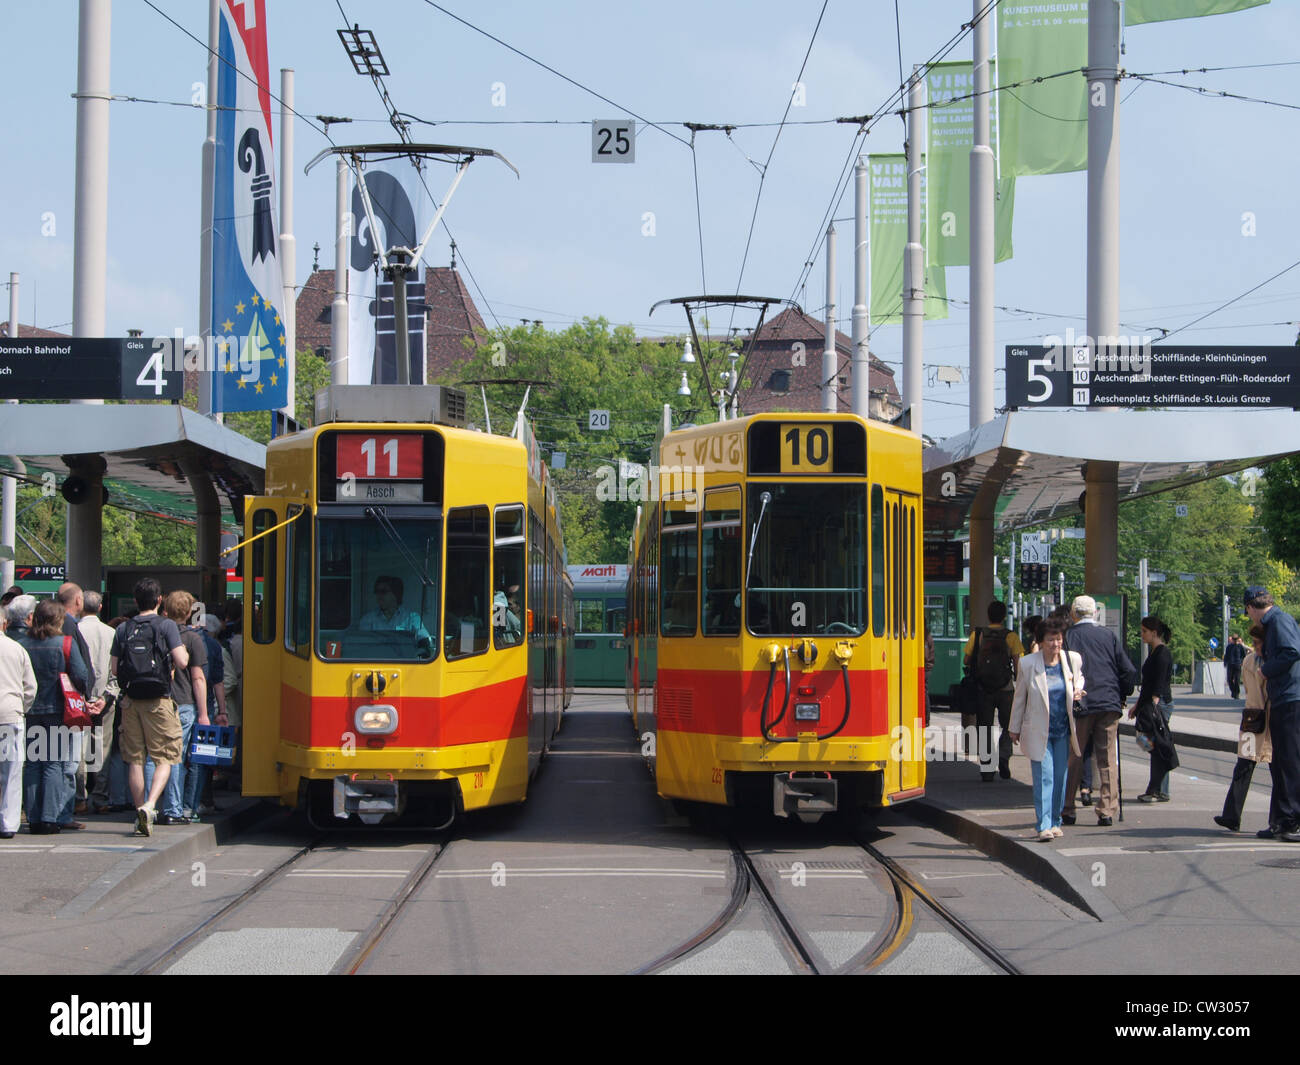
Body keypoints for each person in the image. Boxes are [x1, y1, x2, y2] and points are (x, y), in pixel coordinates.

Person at [110, 578, 188, 837]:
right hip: (159, 700)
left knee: (135, 759)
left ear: (135, 601)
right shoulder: (166, 626)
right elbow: (183, 661)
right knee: (165, 757)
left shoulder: (123, 629)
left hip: (131, 701)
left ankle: (138, 809)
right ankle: (151, 805)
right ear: (159, 601)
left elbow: (114, 668)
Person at [1061, 595, 1138, 828]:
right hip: (1108, 702)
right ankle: (1106, 810)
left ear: (1074, 614)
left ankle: (1068, 808)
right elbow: (1128, 670)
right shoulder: (1109, 636)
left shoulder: (1069, 637)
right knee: (1107, 759)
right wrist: (1122, 694)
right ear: (1095, 614)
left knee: (1075, 755)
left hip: (1080, 703)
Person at [1009, 615, 1085, 841]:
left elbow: (1079, 679)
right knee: (1045, 777)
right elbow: (1019, 697)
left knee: (1060, 778)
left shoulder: (1072, 659)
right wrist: (1014, 727)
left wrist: (1079, 690)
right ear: (1041, 641)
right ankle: (1043, 825)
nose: (1056, 644)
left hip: (1063, 730)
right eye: (1051, 640)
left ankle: (1055, 820)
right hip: (1038, 730)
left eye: (1059, 639)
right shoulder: (1028, 664)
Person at [16, 599, 89, 834]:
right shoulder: (65, 643)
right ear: (58, 620)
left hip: (29, 711)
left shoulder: (22, 644)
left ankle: (34, 818)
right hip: (58, 711)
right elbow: (81, 675)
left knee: (33, 764)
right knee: (54, 764)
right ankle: (50, 818)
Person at [143, 591, 208, 826]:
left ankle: (149, 806)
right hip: (183, 703)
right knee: (176, 757)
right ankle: (173, 808)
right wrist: (204, 713)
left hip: (156, 700)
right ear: (190, 612)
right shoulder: (193, 639)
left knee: (153, 756)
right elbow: (198, 678)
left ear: (166, 609)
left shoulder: (155, 633)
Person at [1245, 585, 1300, 842]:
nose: (1250, 619)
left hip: (1291, 698)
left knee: (1288, 762)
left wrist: (1266, 670)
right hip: (1284, 698)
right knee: (1279, 763)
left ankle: (1291, 821)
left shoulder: (1278, 620)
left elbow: (1292, 650)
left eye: (1248, 613)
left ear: (1250, 607)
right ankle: (1279, 820)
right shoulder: (1275, 621)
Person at [1215, 624, 1278, 834]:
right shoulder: (1262, 662)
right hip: (1262, 719)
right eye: (1255, 643)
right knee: (1252, 767)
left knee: (1256, 768)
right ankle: (1237, 816)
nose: (1256, 647)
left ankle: (1233, 815)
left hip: (1255, 719)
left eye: (1258, 643)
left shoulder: (1252, 660)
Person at [962, 600, 1024, 781]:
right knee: (1008, 725)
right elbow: (1018, 663)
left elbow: (966, 660)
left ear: (988, 615)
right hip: (1005, 689)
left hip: (983, 688)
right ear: (1004, 617)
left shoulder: (978, 634)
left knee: (985, 727)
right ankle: (1004, 756)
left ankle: (987, 767)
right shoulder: (1011, 636)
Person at [81, 591, 123, 813]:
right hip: (105, 700)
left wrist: (84, 699)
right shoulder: (111, 633)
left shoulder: (74, 630)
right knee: (102, 749)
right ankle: (100, 797)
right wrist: (105, 697)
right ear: (100, 608)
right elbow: (115, 671)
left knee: (79, 748)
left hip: (79, 701)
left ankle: (80, 795)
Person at [0, 601, 37, 839]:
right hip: (10, 714)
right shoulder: (16, 649)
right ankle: (7, 824)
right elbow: (30, 687)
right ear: (4, 623)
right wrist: (21, 708)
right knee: (11, 772)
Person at [1130, 616, 1177, 802]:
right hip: (1153, 702)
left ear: (1154, 633)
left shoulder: (1162, 653)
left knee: (1158, 746)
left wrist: (1153, 704)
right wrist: (1138, 705)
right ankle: (1158, 788)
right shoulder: (1155, 652)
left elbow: (1158, 683)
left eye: (1144, 631)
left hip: (1160, 703)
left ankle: (1158, 790)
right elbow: (1148, 684)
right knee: (1153, 745)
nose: (1142, 635)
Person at [359, 575, 432, 655]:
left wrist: (416, 655)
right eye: (377, 592)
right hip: (376, 663)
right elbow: (362, 647)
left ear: (396, 594)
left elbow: (425, 642)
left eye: (383, 592)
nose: (379, 596)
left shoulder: (412, 618)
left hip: (403, 664)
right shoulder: (368, 619)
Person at [1224, 634, 1247, 701]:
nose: (1234, 640)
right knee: (1229, 679)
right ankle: (1233, 691)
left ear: (1237, 639)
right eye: (1233, 639)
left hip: (1237, 664)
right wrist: (1225, 662)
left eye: (1235, 639)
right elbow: (1226, 655)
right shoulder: (1229, 647)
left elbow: (1243, 655)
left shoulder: (1240, 647)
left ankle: (1236, 693)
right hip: (1230, 664)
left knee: (1237, 680)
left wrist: (1242, 662)